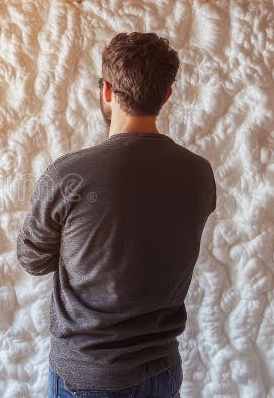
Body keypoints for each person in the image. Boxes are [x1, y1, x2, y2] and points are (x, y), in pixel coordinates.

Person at [16, 32, 217, 398]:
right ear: (167, 94)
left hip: (91, 376)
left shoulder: (69, 175)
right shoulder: (199, 172)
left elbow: (32, 258)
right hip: (164, 370)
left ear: (106, 90)